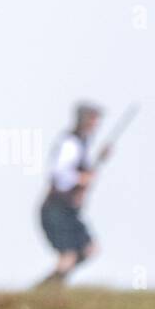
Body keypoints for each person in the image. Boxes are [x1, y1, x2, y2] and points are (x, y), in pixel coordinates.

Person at [37, 101, 109, 287]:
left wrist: (99, 160)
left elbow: (84, 169)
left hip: (68, 210)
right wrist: (81, 179)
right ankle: (45, 290)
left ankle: (52, 287)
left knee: (88, 249)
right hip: (56, 208)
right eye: (93, 119)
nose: (96, 123)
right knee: (69, 254)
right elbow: (59, 172)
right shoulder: (70, 143)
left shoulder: (82, 143)